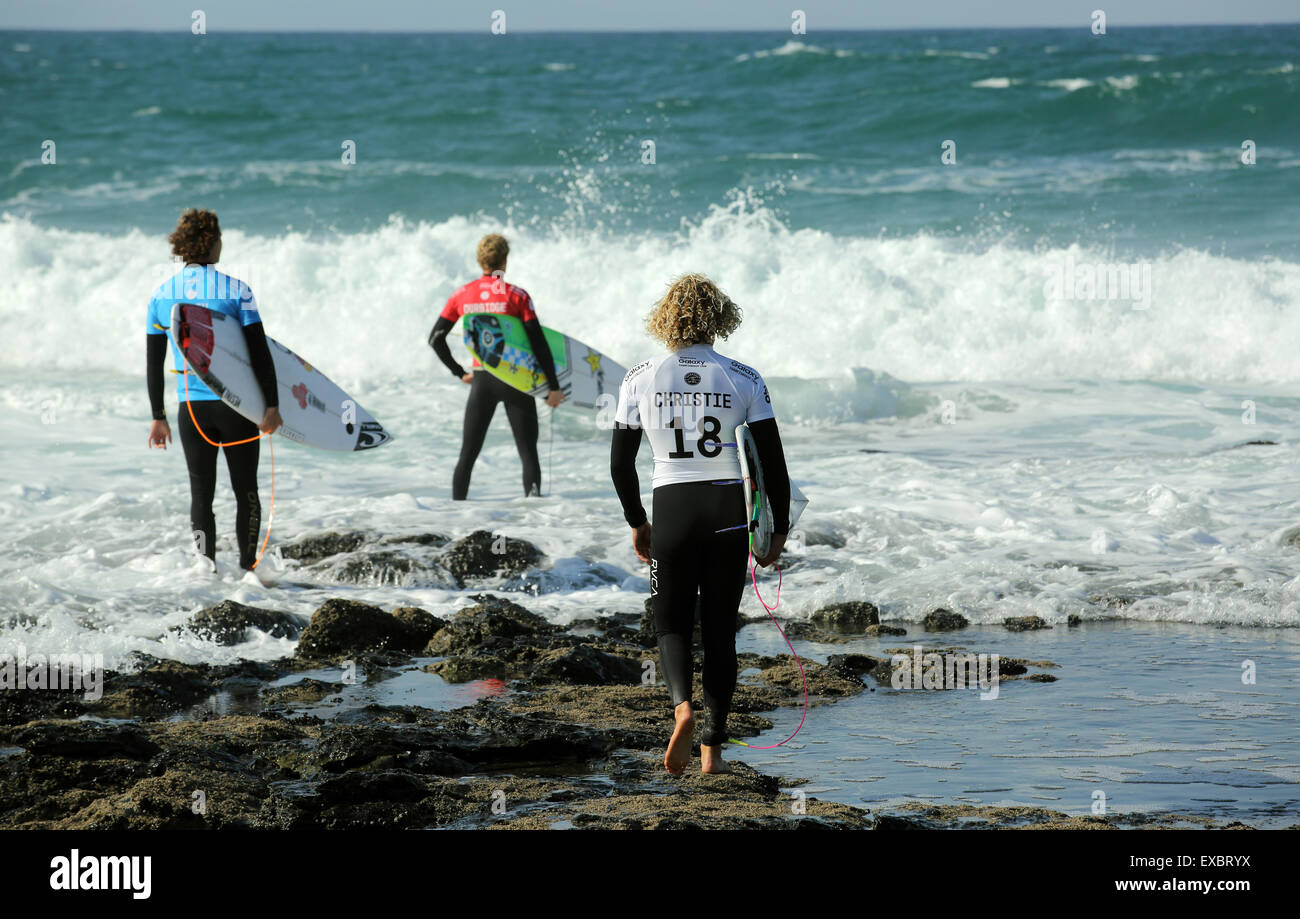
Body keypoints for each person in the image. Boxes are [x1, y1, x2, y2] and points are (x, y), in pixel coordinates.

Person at [610, 274, 790, 776]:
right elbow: (772, 464)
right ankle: (712, 751)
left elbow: (621, 466)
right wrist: (777, 531)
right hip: (727, 511)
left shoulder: (639, 376)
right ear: (720, 316)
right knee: (719, 632)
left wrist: (637, 521)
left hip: (671, 507)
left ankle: (682, 709)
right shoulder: (744, 377)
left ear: (666, 317)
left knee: (669, 621)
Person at [146, 209, 282, 573]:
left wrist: (158, 417)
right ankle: (249, 569)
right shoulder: (238, 291)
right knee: (246, 491)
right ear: (211, 242)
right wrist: (272, 405)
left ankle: (205, 573)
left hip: (191, 409)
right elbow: (259, 352)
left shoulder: (161, 294)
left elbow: (153, 362)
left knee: (201, 495)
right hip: (238, 409)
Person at [428, 234, 565, 499]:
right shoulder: (517, 296)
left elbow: (435, 339)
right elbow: (538, 343)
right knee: (528, 453)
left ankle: (454, 519)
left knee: (468, 453)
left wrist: (460, 373)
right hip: (517, 381)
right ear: (505, 260)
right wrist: (553, 388)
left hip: (482, 380)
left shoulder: (462, 295)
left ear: (481, 261)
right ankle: (535, 517)